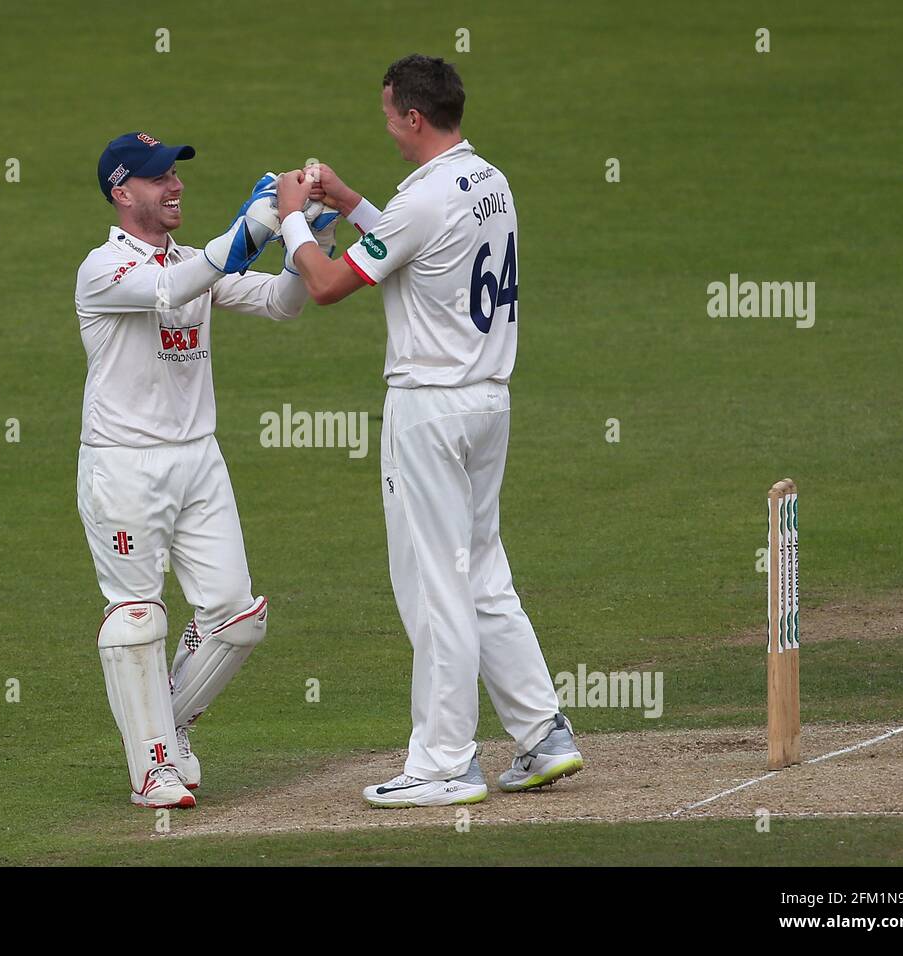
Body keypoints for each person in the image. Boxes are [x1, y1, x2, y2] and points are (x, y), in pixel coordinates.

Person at [274, 55, 583, 808]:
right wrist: (353, 204)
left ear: (415, 117)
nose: (385, 125)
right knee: (480, 570)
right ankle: (542, 733)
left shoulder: (424, 200)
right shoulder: (488, 180)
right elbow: (425, 250)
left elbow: (324, 286)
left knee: (434, 583)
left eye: (388, 115)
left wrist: (289, 216)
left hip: (431, 408)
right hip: (487, 401)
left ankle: (446, 761)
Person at [75, 132, 337, 808]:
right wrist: (252, 226)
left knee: (236, 617)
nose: (175, 186)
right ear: (121, 191)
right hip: (124, 466)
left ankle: (169, 721)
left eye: (177, 174)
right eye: (159, 177)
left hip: (199, 460)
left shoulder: (195, 260)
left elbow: (281, 303)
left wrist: (309, 235)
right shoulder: (104, 269)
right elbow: (169, 289)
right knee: (137, 617)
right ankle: (152, 766)